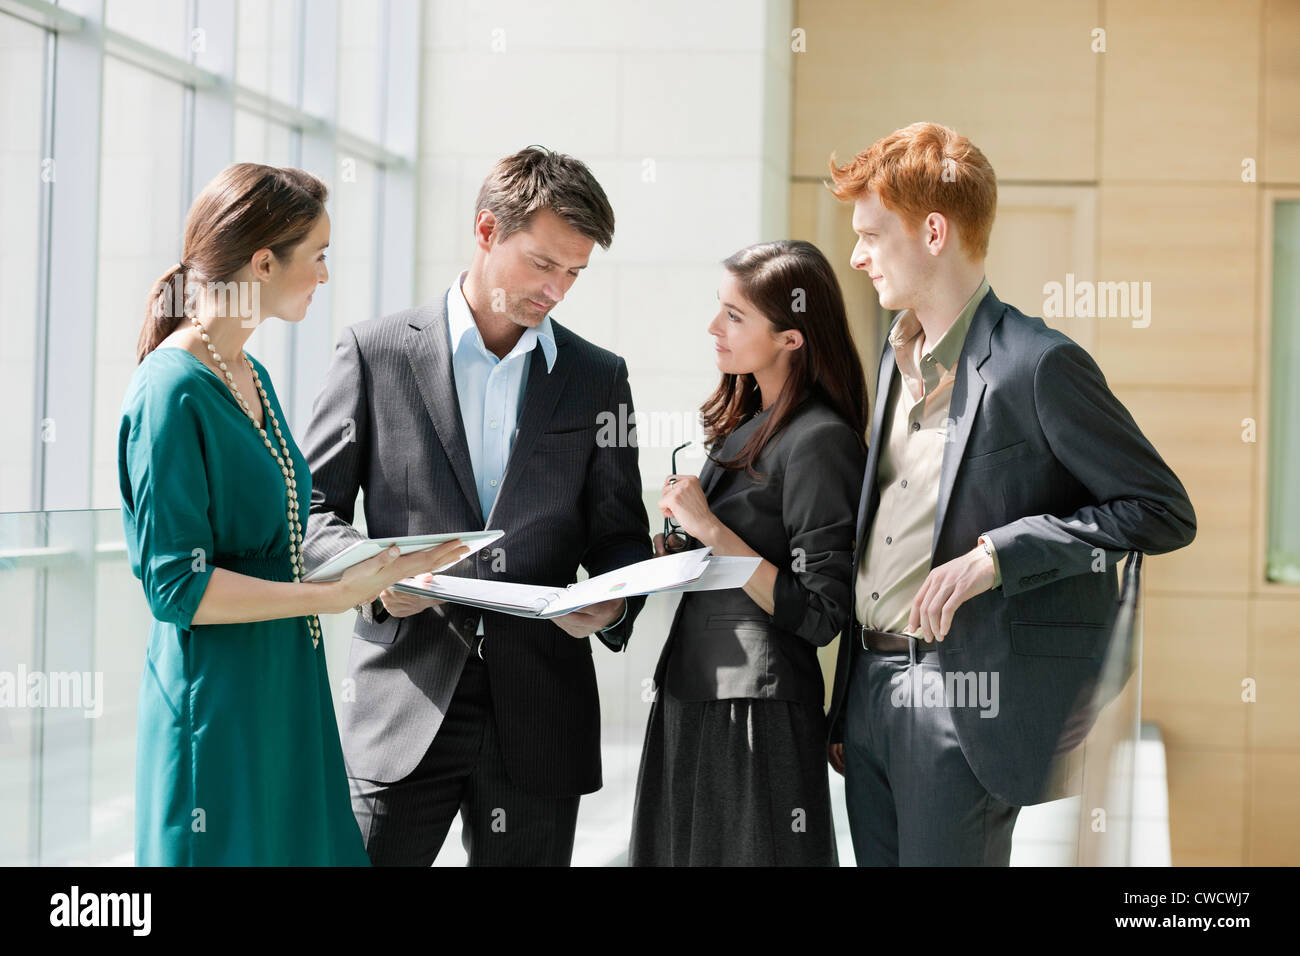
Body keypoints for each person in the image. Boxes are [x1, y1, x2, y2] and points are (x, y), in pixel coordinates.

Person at [824, 122, 1198, 865]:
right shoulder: (896, 361)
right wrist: (848, 704)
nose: (858, 255)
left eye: (871, 234)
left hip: (962, 707)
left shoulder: (1040, 364)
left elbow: (1160, 510)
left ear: (933, 230)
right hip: (867, 690)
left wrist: (1000, 554)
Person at [302, 146, 651, 866]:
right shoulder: (375, 355)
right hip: (404, 701)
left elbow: (621, 537)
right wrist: (372, 576)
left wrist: (612, 605)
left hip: (541, 710)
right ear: (487, 231)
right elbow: (309, 513)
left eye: (574, 273)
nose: (556, 290)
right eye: (542, 263)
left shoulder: (597, 378)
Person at [119, 163, 468, 866]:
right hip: (219, 703)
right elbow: (176, 588)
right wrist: (330, 597)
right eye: (319, 257)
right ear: (262, 260)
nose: (326, 276)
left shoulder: (248, 372)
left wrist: (379, 566)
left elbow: (284, 530)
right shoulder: (169, 391)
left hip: (288, 689)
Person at [628, 240, 867, 866]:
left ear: (792, 337)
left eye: (735, 316)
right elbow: (733, 561)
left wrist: (712, 532)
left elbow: (820, 613)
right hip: (692, 693)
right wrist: (682, 547)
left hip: (755, 711)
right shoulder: (742, 425)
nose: (715, 327)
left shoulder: (821, 441)